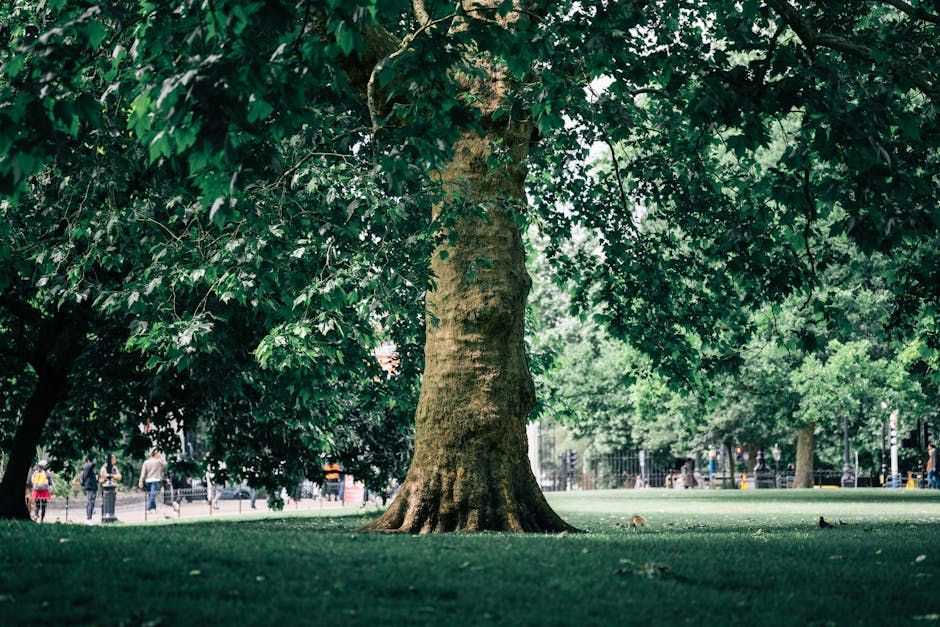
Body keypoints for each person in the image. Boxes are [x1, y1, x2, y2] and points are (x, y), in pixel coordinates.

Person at [79, 457, 98, 522]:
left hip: (90, 487)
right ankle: (89, 518)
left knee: (91, 502)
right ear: (88, 461)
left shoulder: (85, 469)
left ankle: (89, 516)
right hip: (90, 487)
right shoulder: (87, 467)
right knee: (90, 502)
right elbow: (93, 464)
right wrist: (95, 457)